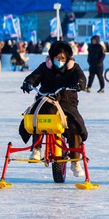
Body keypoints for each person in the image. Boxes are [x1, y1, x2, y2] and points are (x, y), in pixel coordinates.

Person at [20, 41, 88, 176]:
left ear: (67, 58)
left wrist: (78, 84)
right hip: (46, 100)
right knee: (36, 118)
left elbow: (81, 78)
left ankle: (75, 161)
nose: (60, 61)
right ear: (52, 57)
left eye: (63, 58)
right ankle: (37, 149)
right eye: (57, 58)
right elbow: (34, 77)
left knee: (74, 125)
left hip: (66, 102)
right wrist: (28, 83)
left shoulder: (74, 68)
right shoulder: (45, 67)